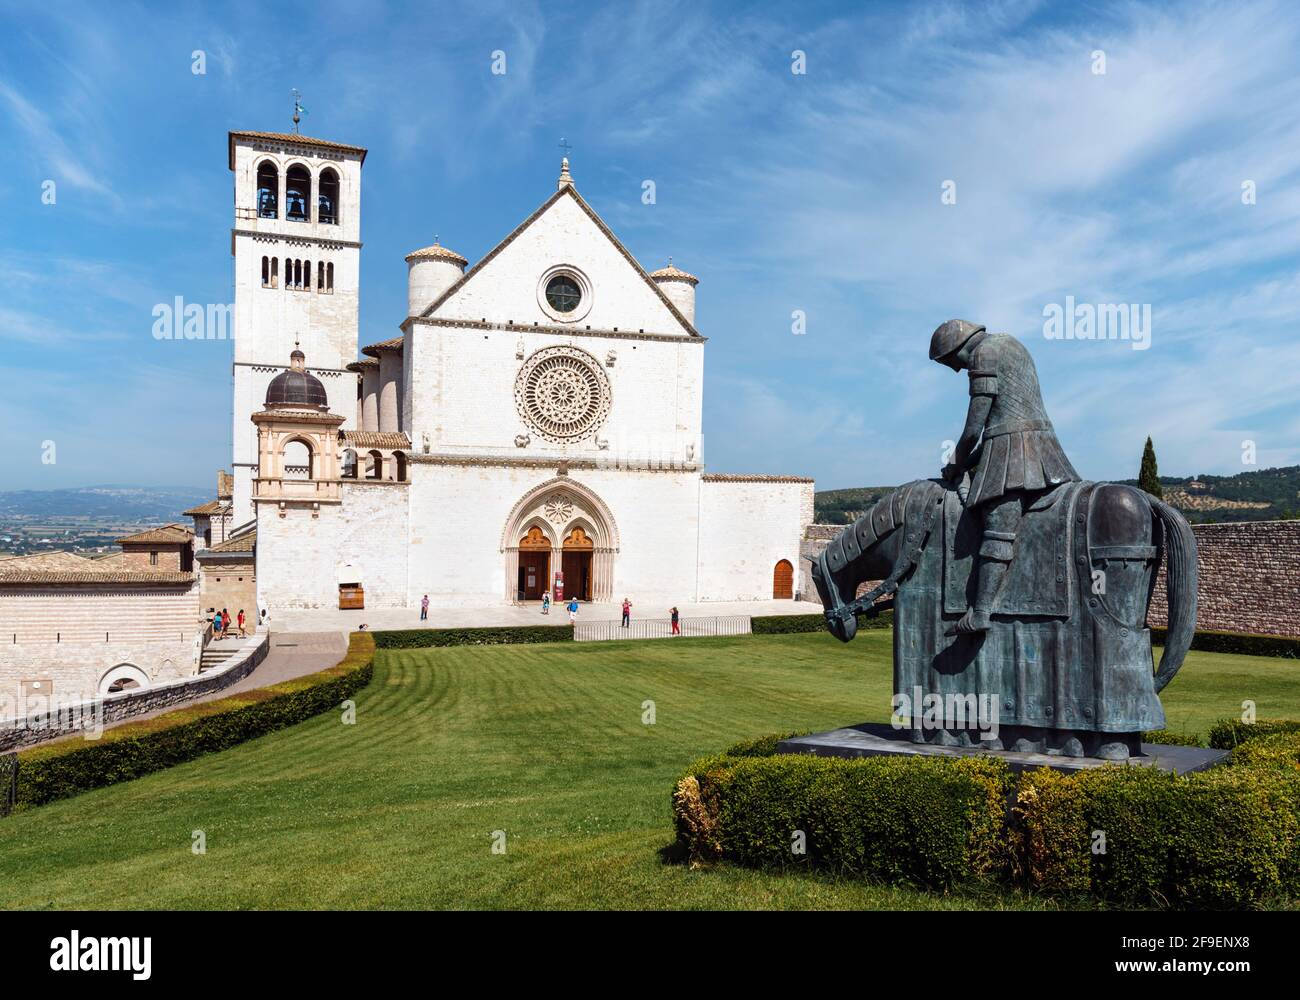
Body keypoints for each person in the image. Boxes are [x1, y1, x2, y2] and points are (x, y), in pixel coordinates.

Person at [930, 319, 1080, 634]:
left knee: (998, 529)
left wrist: (955, 463)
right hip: (1040, 446)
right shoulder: (1011, 343)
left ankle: (981, 612)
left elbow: (975, 428)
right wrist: (966, 463)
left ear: (958, 347)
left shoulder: (983, 354)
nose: (956, 369)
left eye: (950, 362)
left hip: (1013, 453)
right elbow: (999, 423)